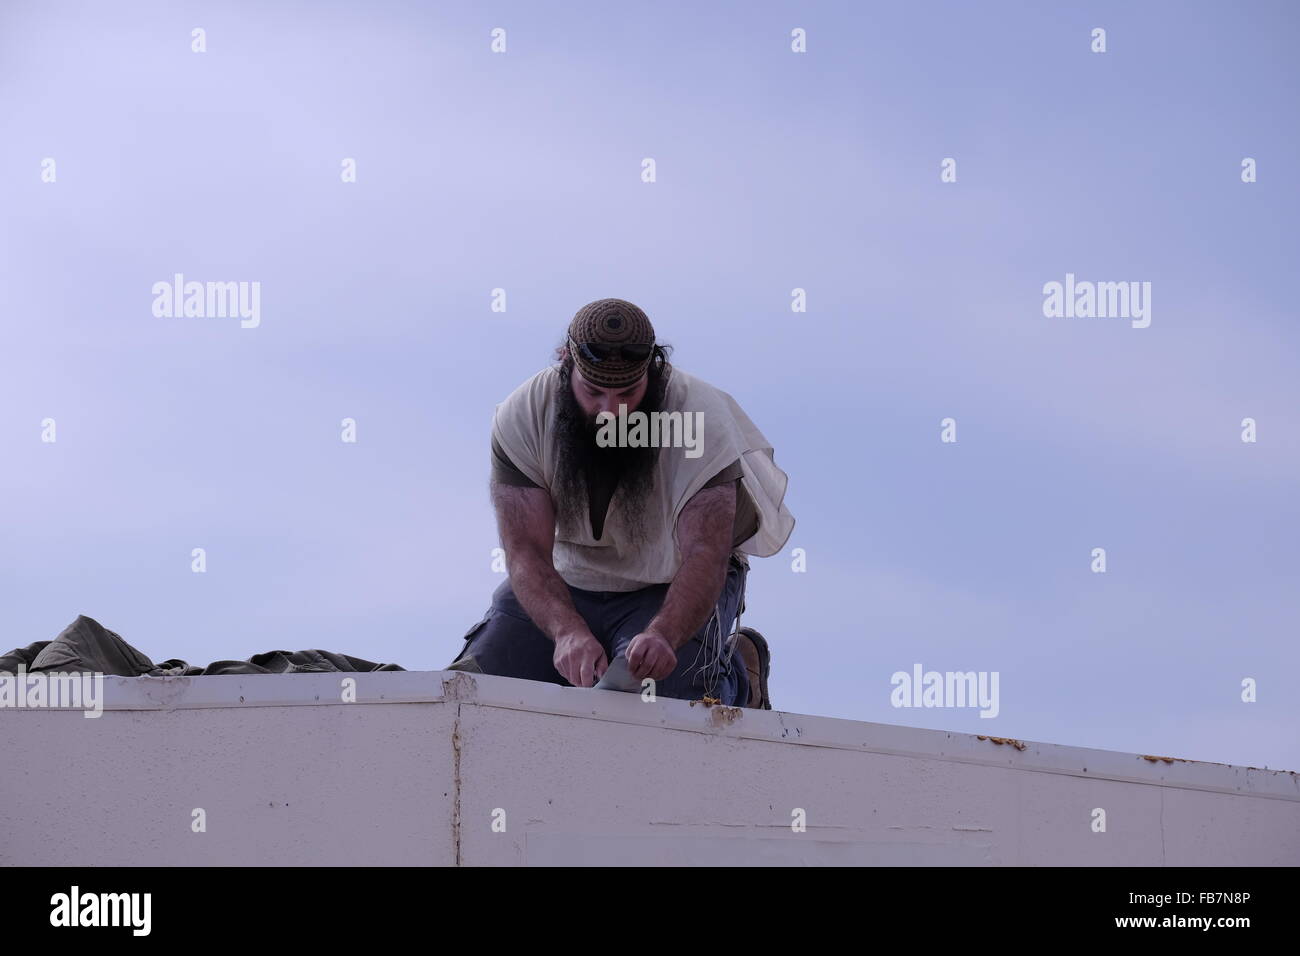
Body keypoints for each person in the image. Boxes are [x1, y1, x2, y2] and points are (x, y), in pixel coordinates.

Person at [447, 298, 794, 708]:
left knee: (661, 702)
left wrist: (664, 634)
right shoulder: (522, 415)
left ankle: (736, 672)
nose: (610, 410)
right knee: (476, 689)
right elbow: (526, 551)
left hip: (669, 579)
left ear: (654, 369)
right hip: (571, 577)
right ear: (566, 364)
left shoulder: (700, 420)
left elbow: (705, 553)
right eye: (593, 391)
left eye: (627, 392)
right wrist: (566, 630)